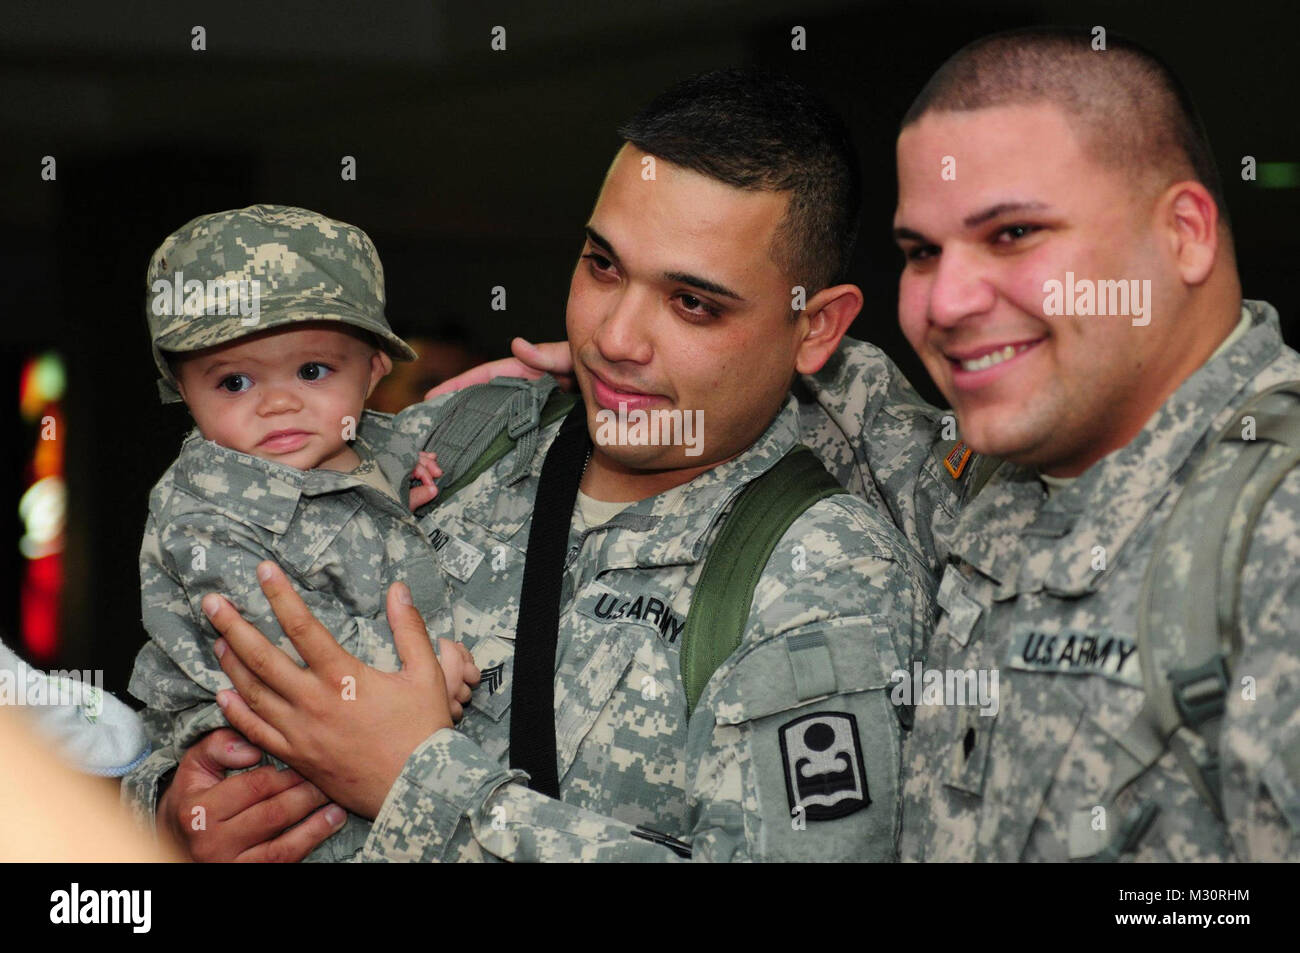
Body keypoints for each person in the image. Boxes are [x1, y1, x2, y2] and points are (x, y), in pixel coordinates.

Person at [189, 68, 939, 862]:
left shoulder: (823, 572)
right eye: (604, 266)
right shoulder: (470, 442)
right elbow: (196, 641)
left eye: (693, 303)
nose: (616, 337)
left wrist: (417, 783)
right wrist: (178, 803)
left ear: (816, 329)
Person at [123, 205, 479, 861]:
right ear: (181, 386)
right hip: (259, 753)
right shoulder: (205, 510)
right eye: (234, 380)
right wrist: (423, 664)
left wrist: (398, 474)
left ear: (374, 369)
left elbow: (388, 444)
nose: (278, 403)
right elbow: (279, 655)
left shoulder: (365, 443)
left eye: (313, 371)